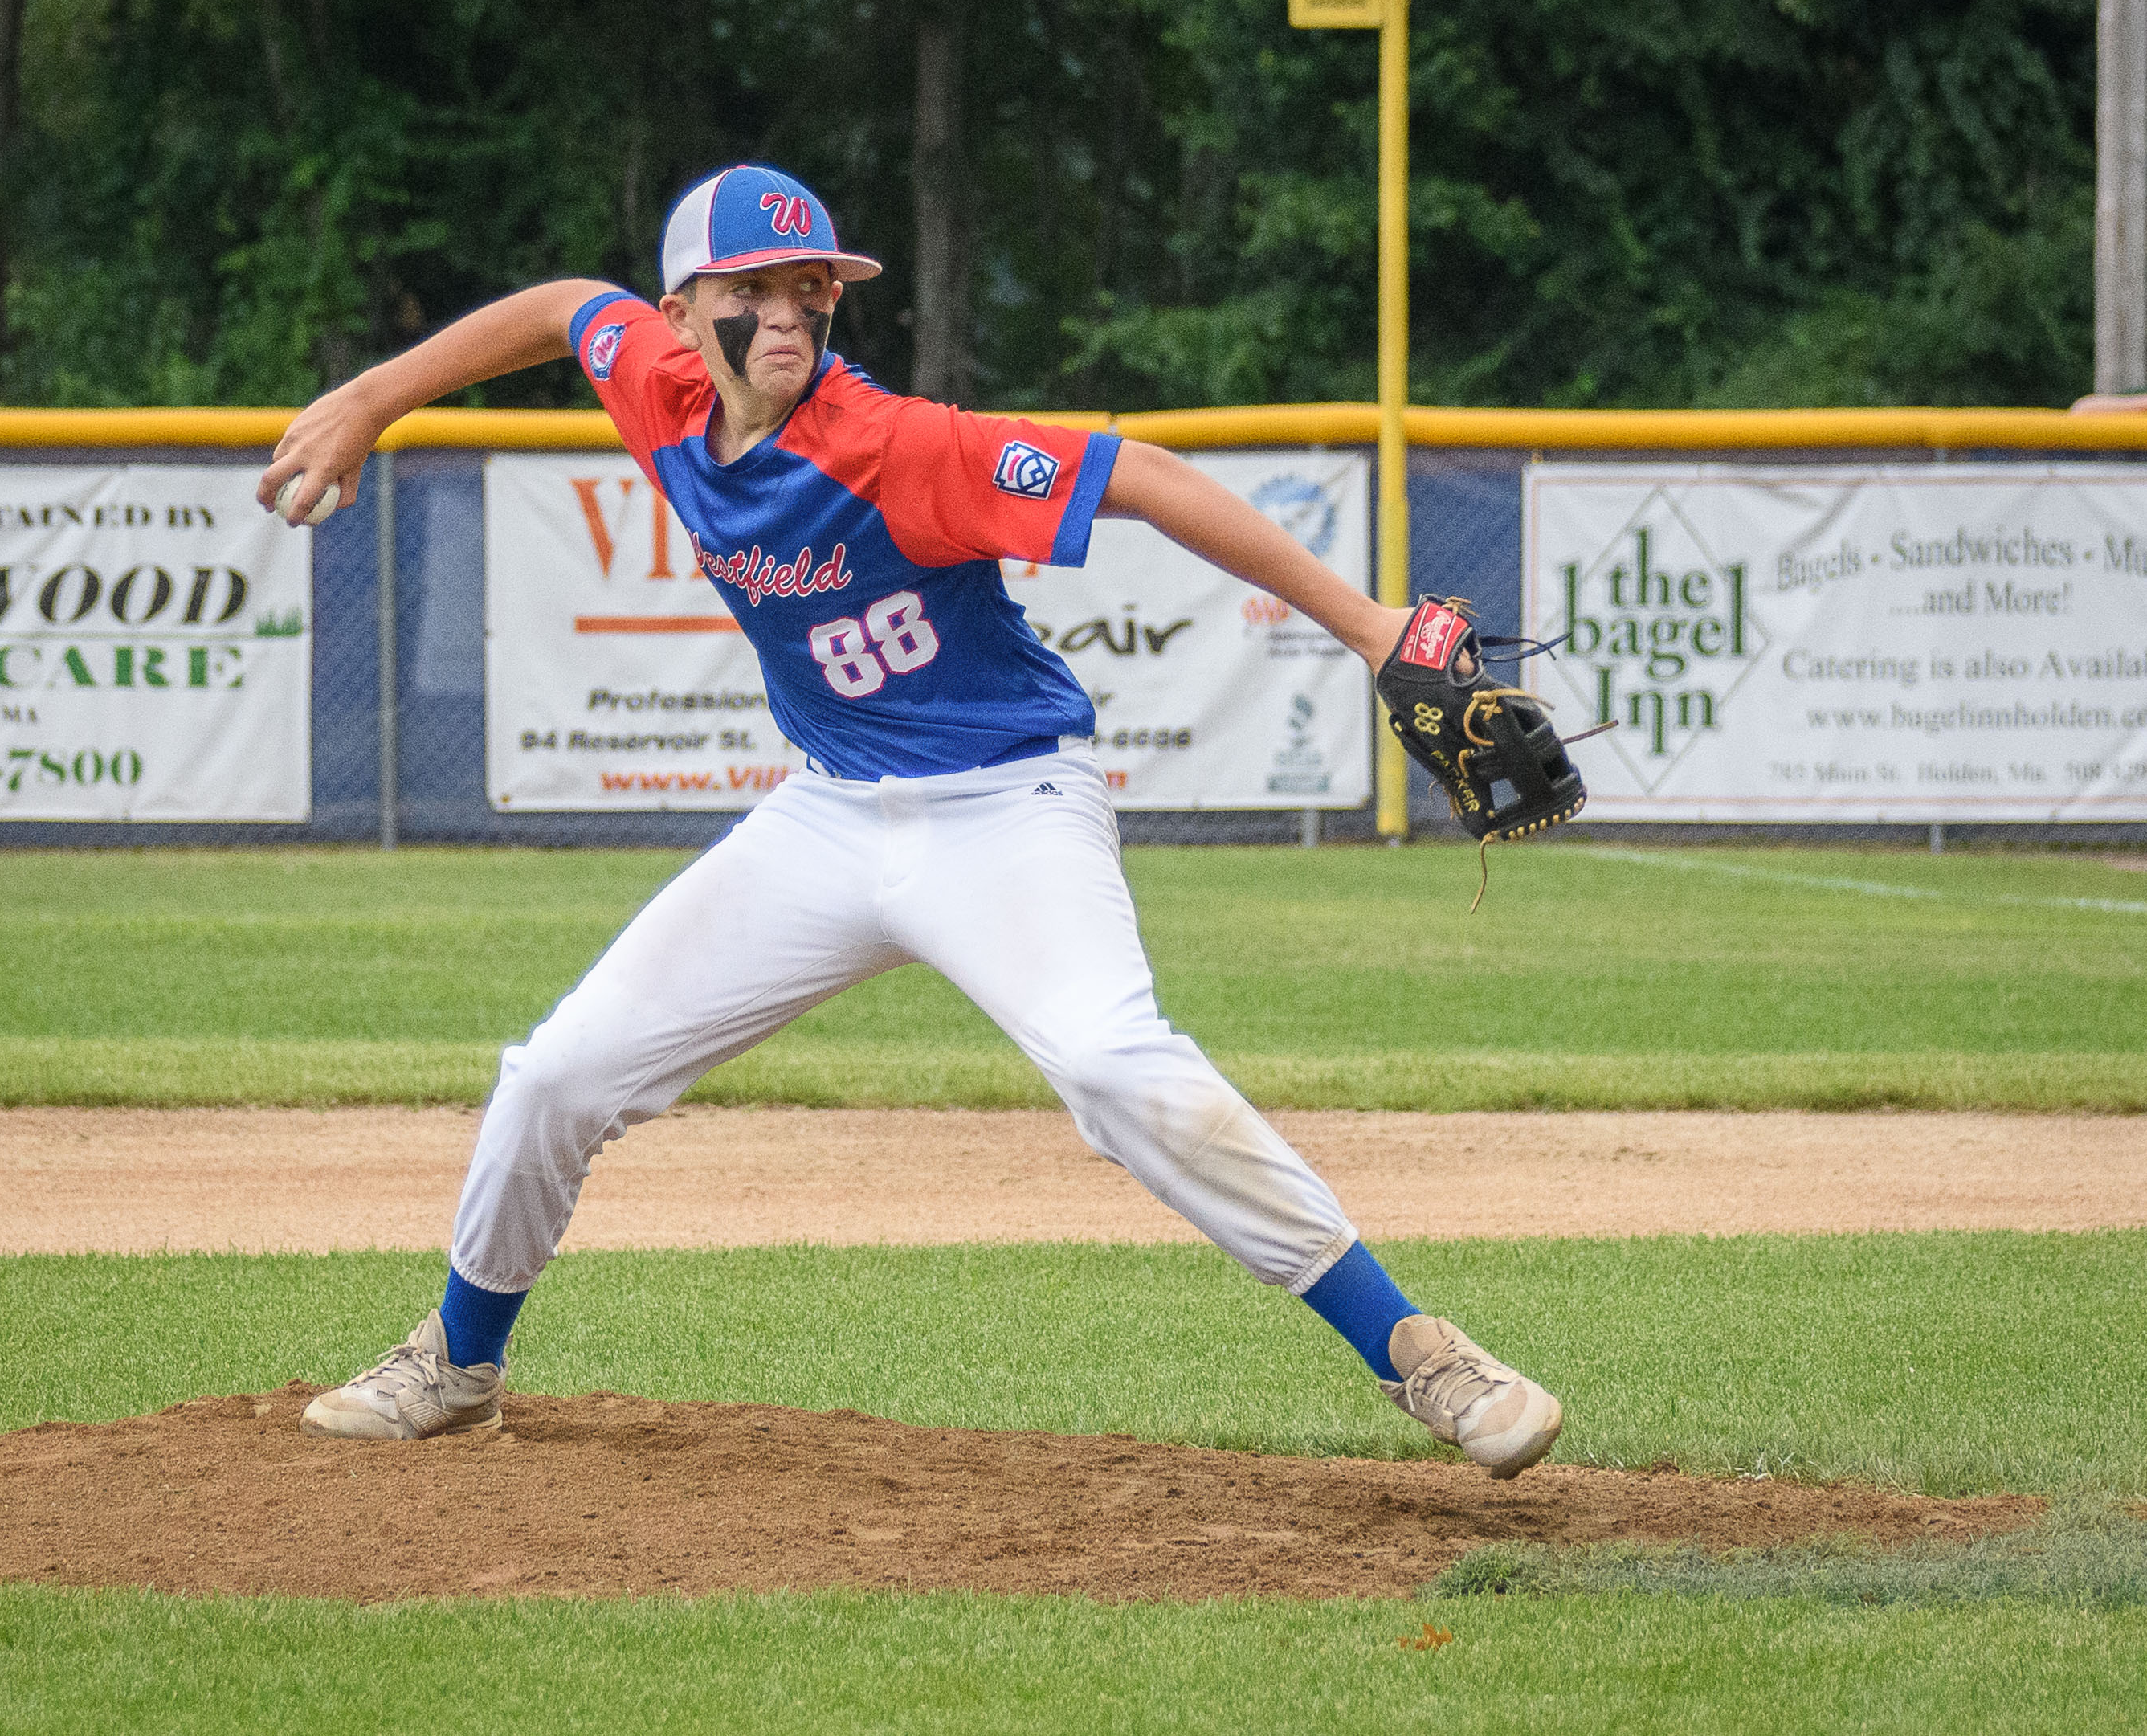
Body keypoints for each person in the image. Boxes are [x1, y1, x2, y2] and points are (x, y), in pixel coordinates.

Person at [264, 164, 1562, 1479]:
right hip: (826, 818)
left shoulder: (897, 446)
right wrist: (372, 399)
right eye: (750, 292)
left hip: (1008, 806)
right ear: (685, 313)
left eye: (810, 289)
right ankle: (460, 1360)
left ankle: (1422, 1355)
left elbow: (1149, 477)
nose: (785, 316)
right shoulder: (653, 384)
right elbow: (561, 306)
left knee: (1116, 1070)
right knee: (554, 1075)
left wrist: (1371, 627)